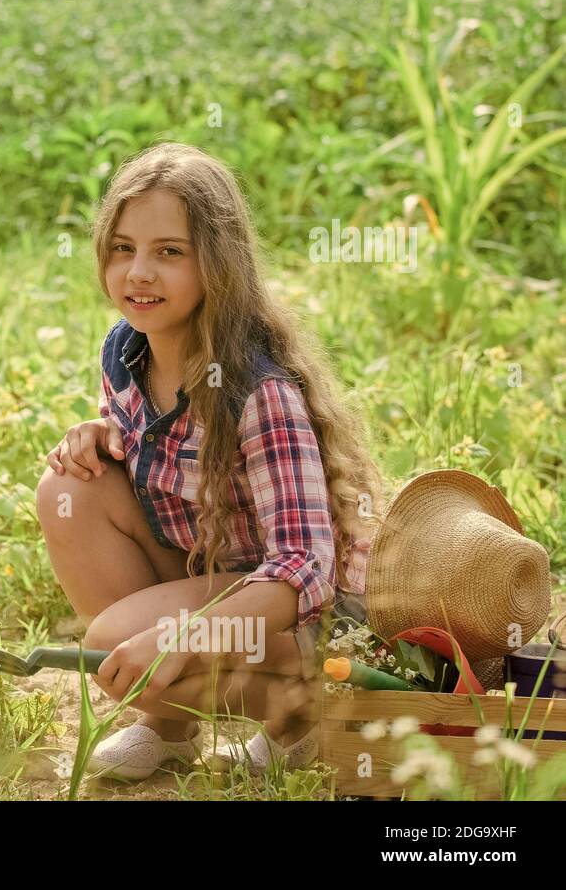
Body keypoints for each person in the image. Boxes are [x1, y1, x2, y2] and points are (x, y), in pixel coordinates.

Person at [37, 143, 380, 780]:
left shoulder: (259, 393)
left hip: (298, 618)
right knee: (70, 487)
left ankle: (302, 714)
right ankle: (168, 727)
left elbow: (305, 567)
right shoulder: (127, 352)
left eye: (169, 252)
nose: (139, 272)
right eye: (122, 248)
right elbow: (163, 456)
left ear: (216, 266)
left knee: (115, 641)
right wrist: (101, 433)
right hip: (212, 565)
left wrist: (182, 638)